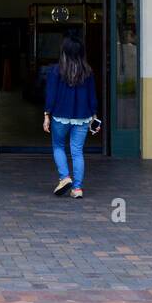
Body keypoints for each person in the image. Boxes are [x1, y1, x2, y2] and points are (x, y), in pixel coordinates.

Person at [43, 35, 99, 198]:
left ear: (64, 51)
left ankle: (64, 177)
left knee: (58, 146)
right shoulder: (87, 71)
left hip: (60, 115)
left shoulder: (56, 70)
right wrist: (94, 115)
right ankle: (77, 188)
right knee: (77, 151)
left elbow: (51, 95)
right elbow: (92, 96)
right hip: (83, 116)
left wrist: (47, 114)